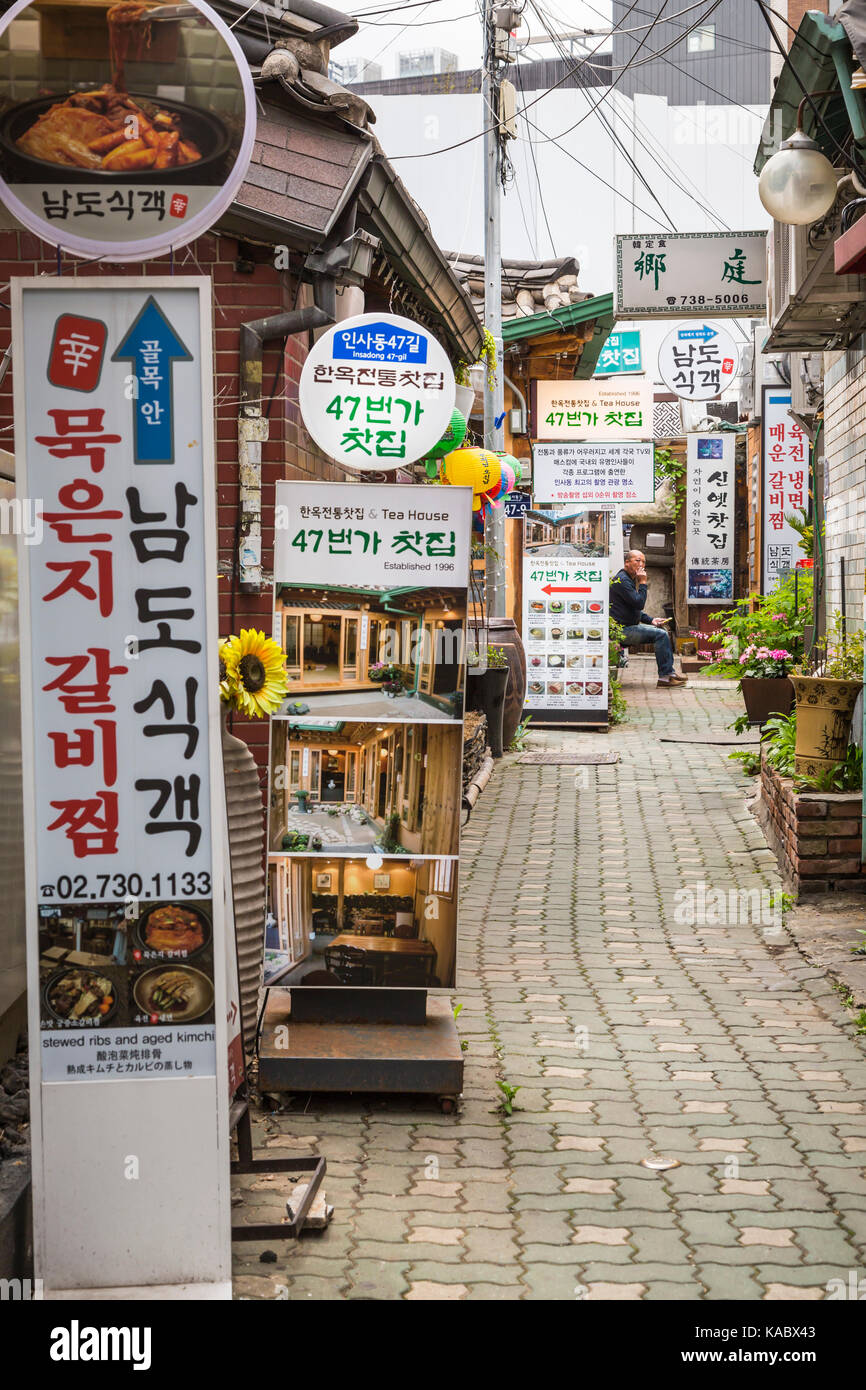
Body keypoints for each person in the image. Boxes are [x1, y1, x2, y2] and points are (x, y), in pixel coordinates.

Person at [609, 549, 687, 688]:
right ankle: (665, 676)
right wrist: (643, 582)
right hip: (621, 630)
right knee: (661, 634)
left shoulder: (628, 579)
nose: (641, 564)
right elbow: (639, 603)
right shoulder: (622, 581)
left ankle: (669, 674)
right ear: (627, 562)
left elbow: (632, 609)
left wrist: (651, 620)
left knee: (661, 631)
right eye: (637, 560)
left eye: (644, 561)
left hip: (626, 627)